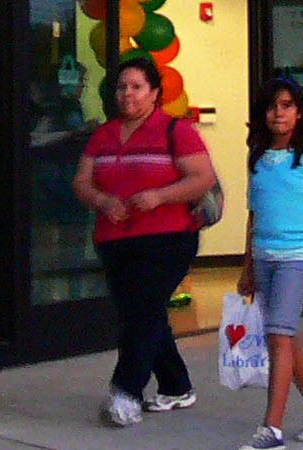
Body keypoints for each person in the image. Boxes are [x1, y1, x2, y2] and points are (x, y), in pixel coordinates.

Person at [74, 50, 221, 427]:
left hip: (168, 238)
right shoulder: (103, 135)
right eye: (122, 87)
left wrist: (159, 196)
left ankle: (126, 391)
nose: (128, 94)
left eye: (137, 87)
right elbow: (81, 182)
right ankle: (176, 385)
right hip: (115, 238)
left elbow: (202, 178)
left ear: (155, 92)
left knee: (141, 313)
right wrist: (103, 201)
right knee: (140, 313)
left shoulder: (176, 130)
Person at [236, 75, 303, 450]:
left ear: (298, 112)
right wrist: (247, 267)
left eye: (285, 106)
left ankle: (272, 426)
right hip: (264, 256)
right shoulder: (257, 157)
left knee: (279, 335)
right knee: (281, 333)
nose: (277, 113)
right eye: (270, 106)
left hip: (299, 256)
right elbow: (254, 215)